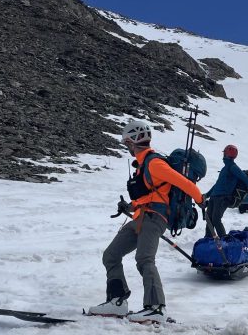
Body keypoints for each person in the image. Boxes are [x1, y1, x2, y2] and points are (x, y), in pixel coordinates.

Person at [87, 118, 204, 319]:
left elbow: (185, 184)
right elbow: (148, 195)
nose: (127, 147)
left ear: (133, 141)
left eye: (127, 143)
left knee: (144, 259)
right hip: (141, 218)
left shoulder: (155, 163)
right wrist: (129, 206)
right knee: (111, 255)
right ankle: (117, 301)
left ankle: (156, 307)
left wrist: (201, 200)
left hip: (154, 218)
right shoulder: (142, 166)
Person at [203, 144, 248, 238]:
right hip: (214, 197)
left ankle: (224, 242)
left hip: (223, 198)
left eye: (224, 153)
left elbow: (246, 179)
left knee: (216, 219)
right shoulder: (225, 168)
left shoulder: (233, 167)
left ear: (226, 154)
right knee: (209, 219)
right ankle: (208, 240)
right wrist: (207, 195)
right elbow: (217, 184)